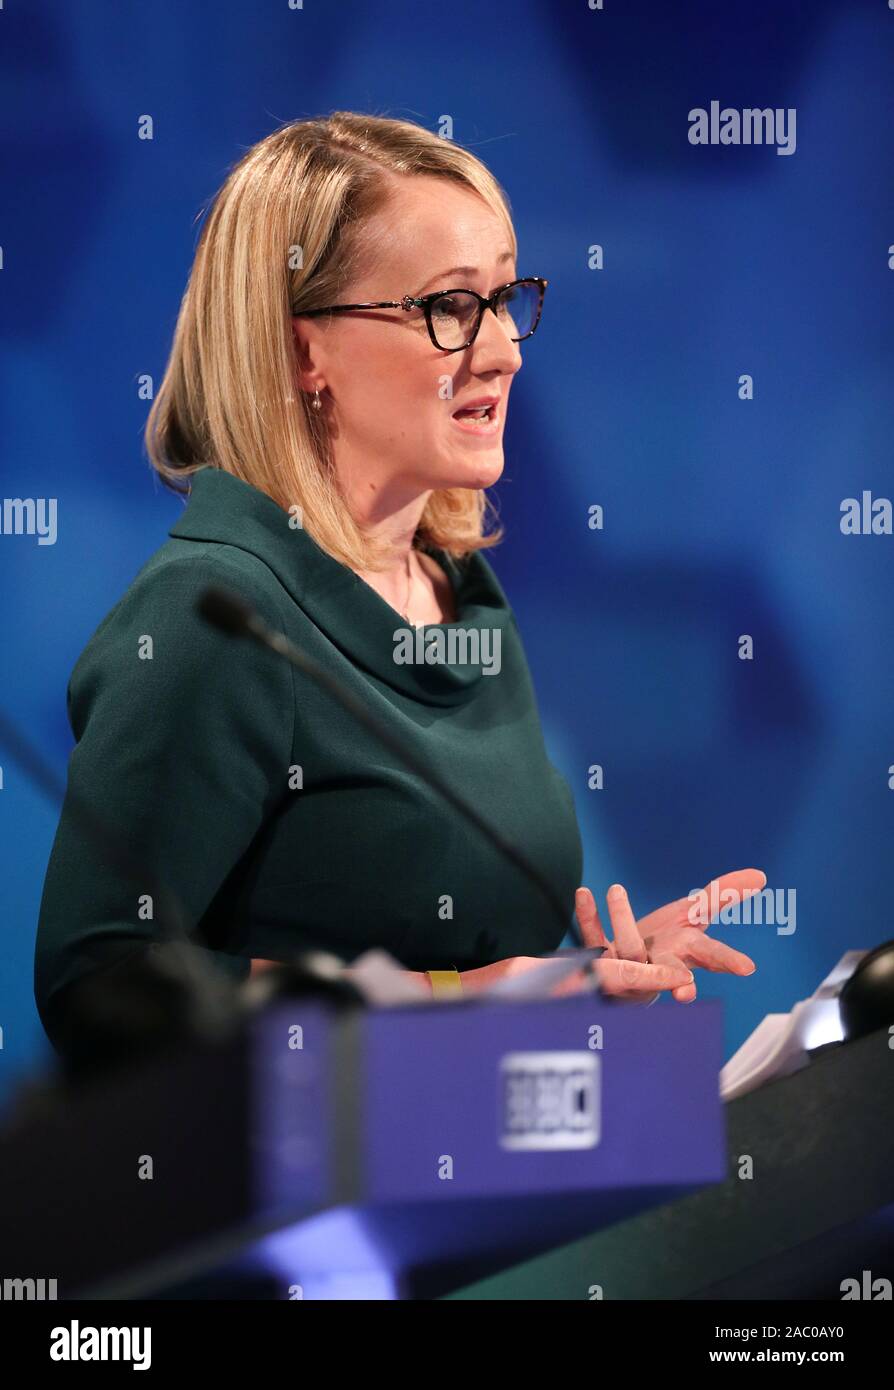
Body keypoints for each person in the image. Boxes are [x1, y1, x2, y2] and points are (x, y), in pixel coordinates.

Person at [35, 113, 759, 1052]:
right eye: (451, 307)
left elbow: (474, 975)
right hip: (283, 1153)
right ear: (304, 353)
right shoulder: (213, 616)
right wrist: (449, 999)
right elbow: (102, 984)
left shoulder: (463, 592)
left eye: (505, 298)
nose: (503, 350)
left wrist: (577, 979)